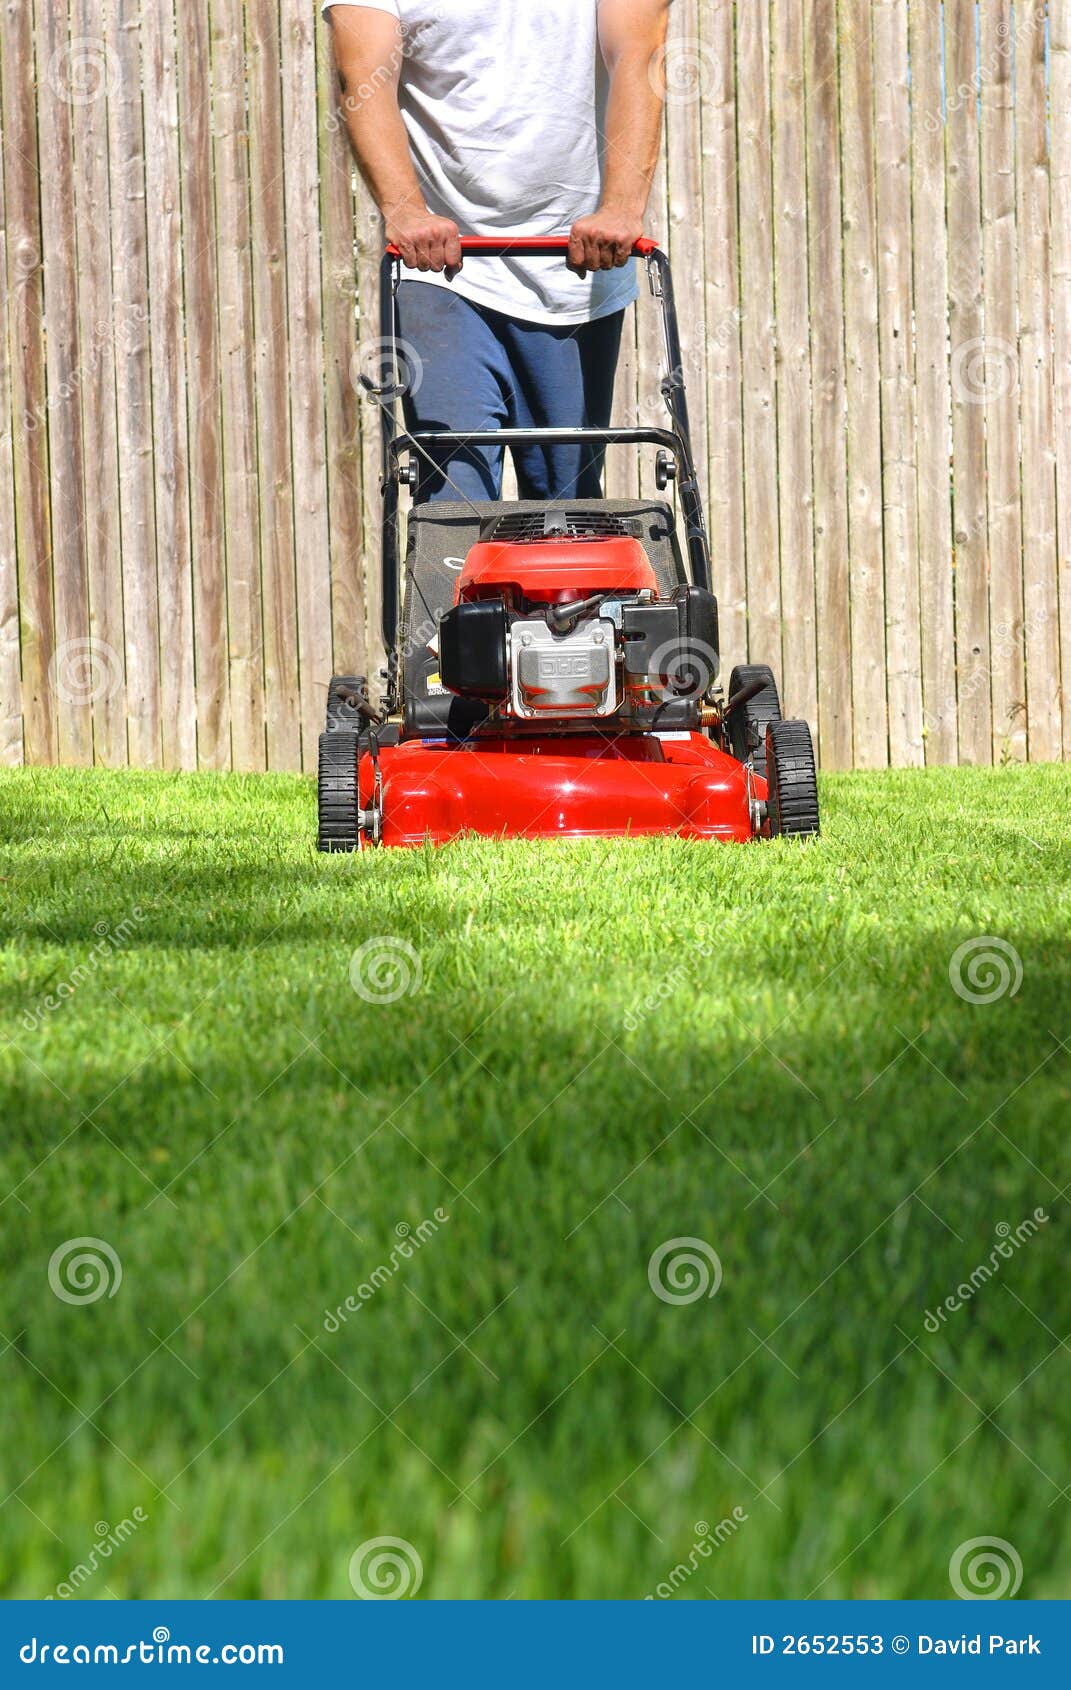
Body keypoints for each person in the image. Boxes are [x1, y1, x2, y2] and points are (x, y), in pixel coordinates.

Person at [325, 0, 670, 502]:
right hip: (445, 267)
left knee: (566, 506)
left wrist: (621, 207)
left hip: (572, 266)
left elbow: (639, 53)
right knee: (454, 505)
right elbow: (360, 74)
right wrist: (406, 212)